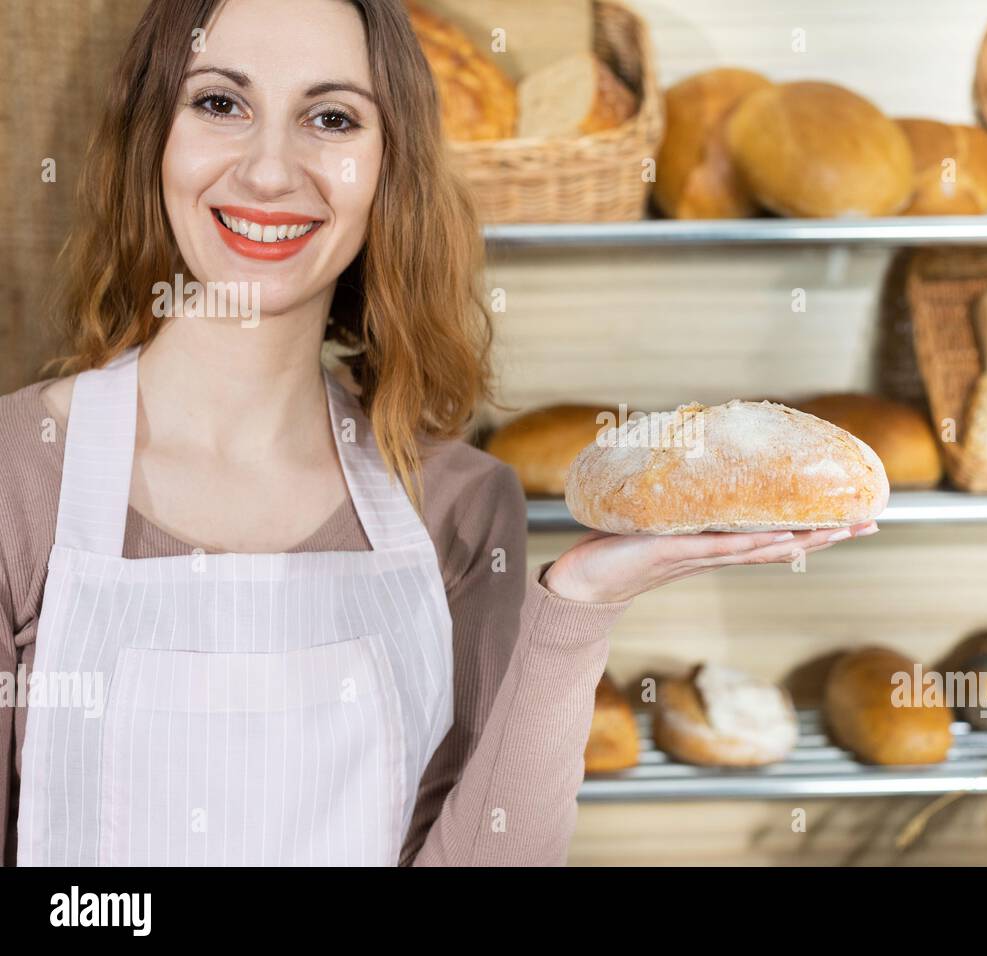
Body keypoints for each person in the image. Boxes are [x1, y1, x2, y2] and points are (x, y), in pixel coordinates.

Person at [0, 0, 876, 866]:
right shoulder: (16, 479)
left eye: (332, 118)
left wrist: (580, 605)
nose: (269, 171)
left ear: (391, 167)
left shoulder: (460, 503)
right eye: (221, 104)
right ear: (152, 135)